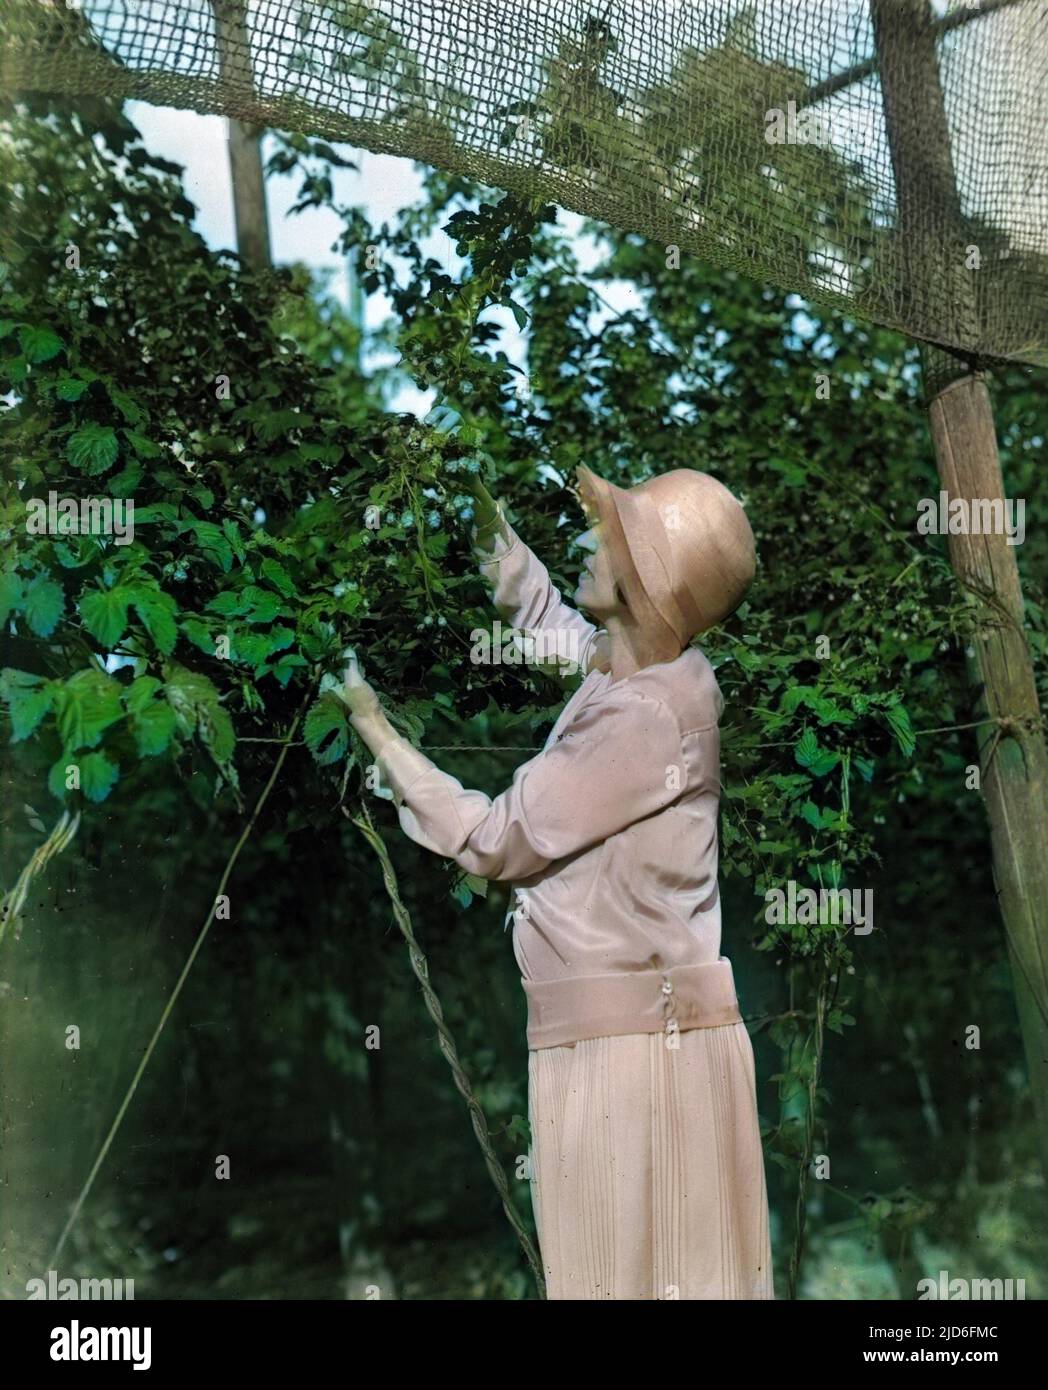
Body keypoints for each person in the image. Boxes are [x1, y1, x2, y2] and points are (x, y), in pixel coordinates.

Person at [344, 460, 774, 1300]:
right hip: (645, 1042)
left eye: (605, 537)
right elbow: (558, 632)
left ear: (648, 588)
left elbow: (495, 839)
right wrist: (488, 530)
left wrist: (373, 728)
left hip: (630, 1058)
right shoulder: (656, 673)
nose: (581, 538)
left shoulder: (646, 717)